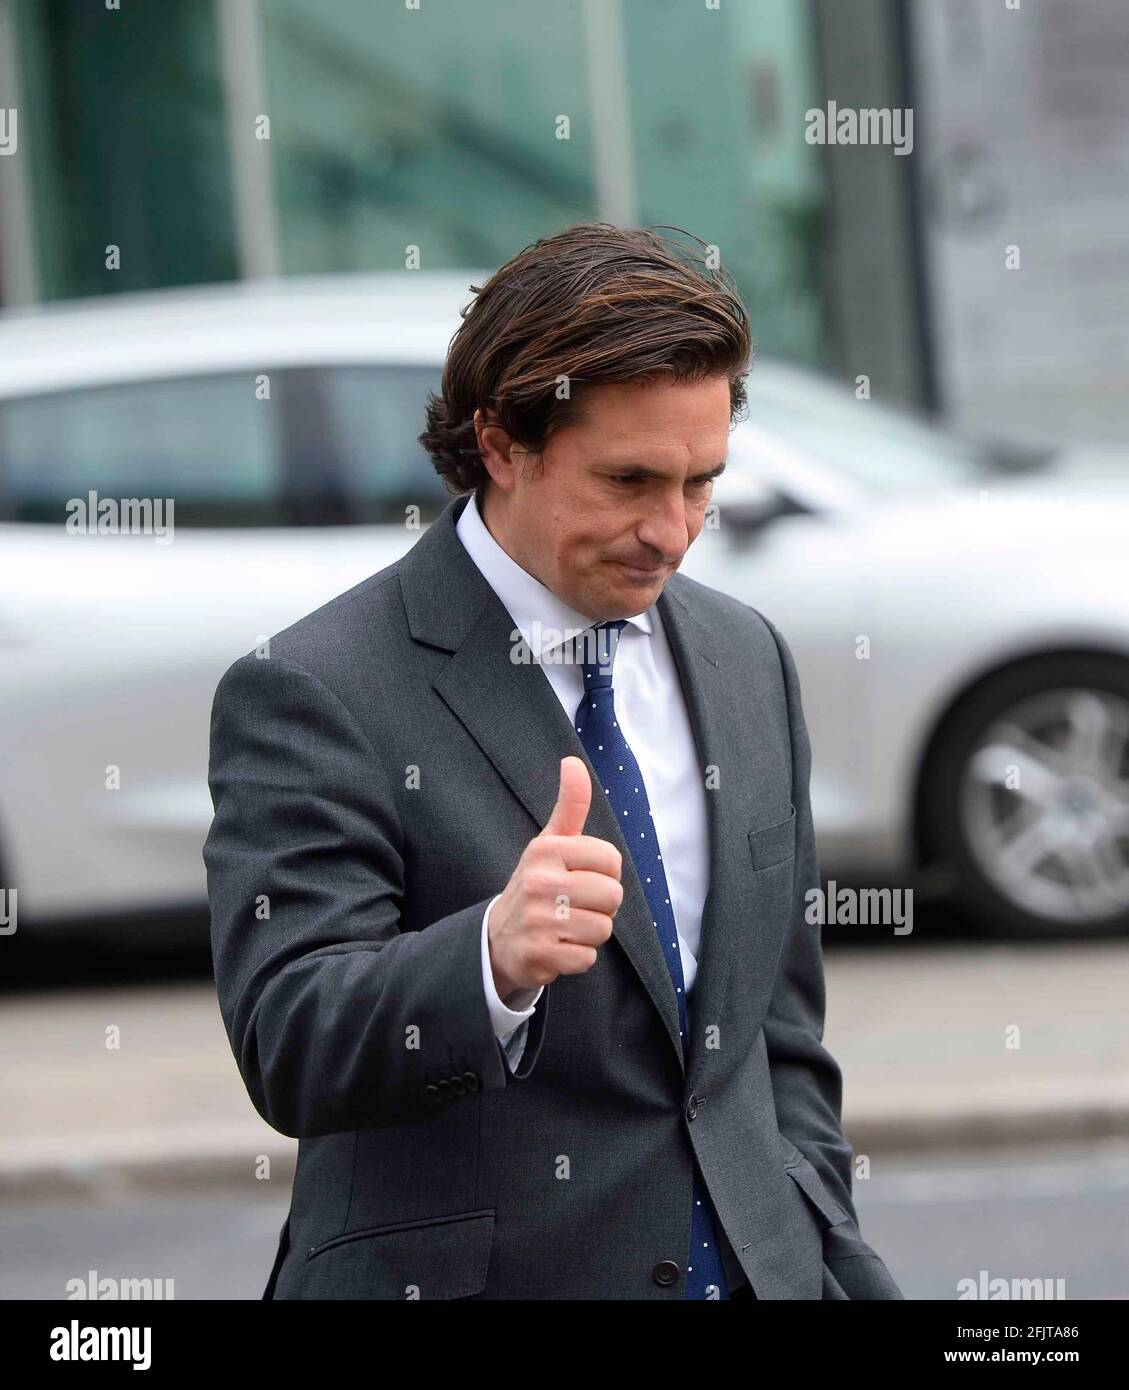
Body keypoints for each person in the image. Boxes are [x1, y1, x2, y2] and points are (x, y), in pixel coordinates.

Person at [204, 222, 903, 1300]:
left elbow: (777, 1029)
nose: (671, 532)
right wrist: (488, 956)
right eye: (628, 481)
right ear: (500, 444)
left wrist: (813, 1233)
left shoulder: (744, 656)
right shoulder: (317, 687)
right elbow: (289, 1039)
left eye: (702, 483)